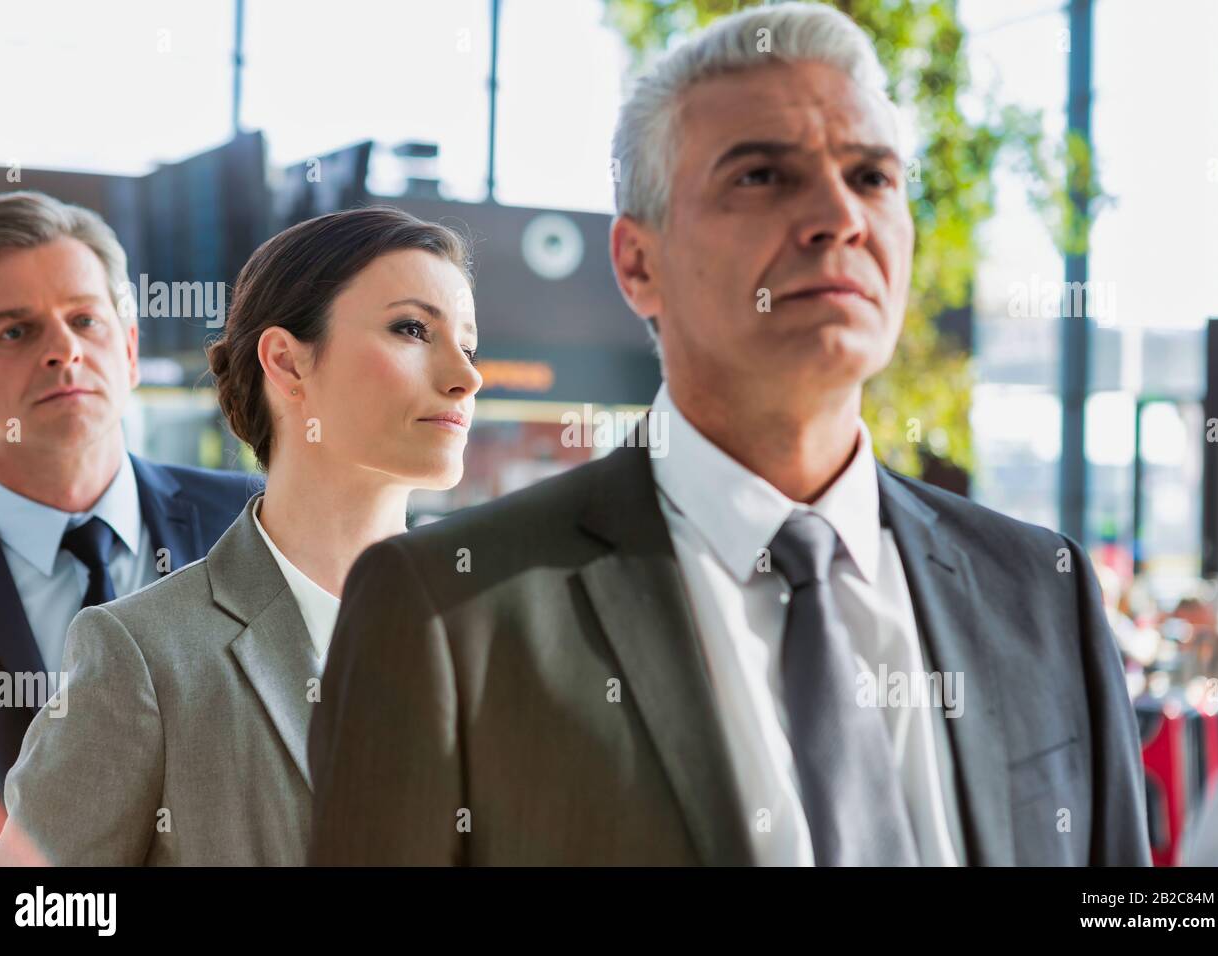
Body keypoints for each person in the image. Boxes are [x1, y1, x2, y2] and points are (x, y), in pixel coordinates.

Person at [309, 2, 1148, 866]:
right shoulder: (451, 609)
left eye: (872, 178)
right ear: (638, 262)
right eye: (762, 177)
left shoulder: (1040, 595)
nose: (838, 216)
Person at [0, 206, 481, 865]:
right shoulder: (146, 658)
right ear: (286, 363)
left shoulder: (500, 642)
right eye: (413, 329)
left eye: (470, 345)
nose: (466, 376)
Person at [0, 192, 258, 814]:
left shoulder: (263, 524)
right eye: (16, 330)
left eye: (85, 320)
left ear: (128, 351)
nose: (64, 351)